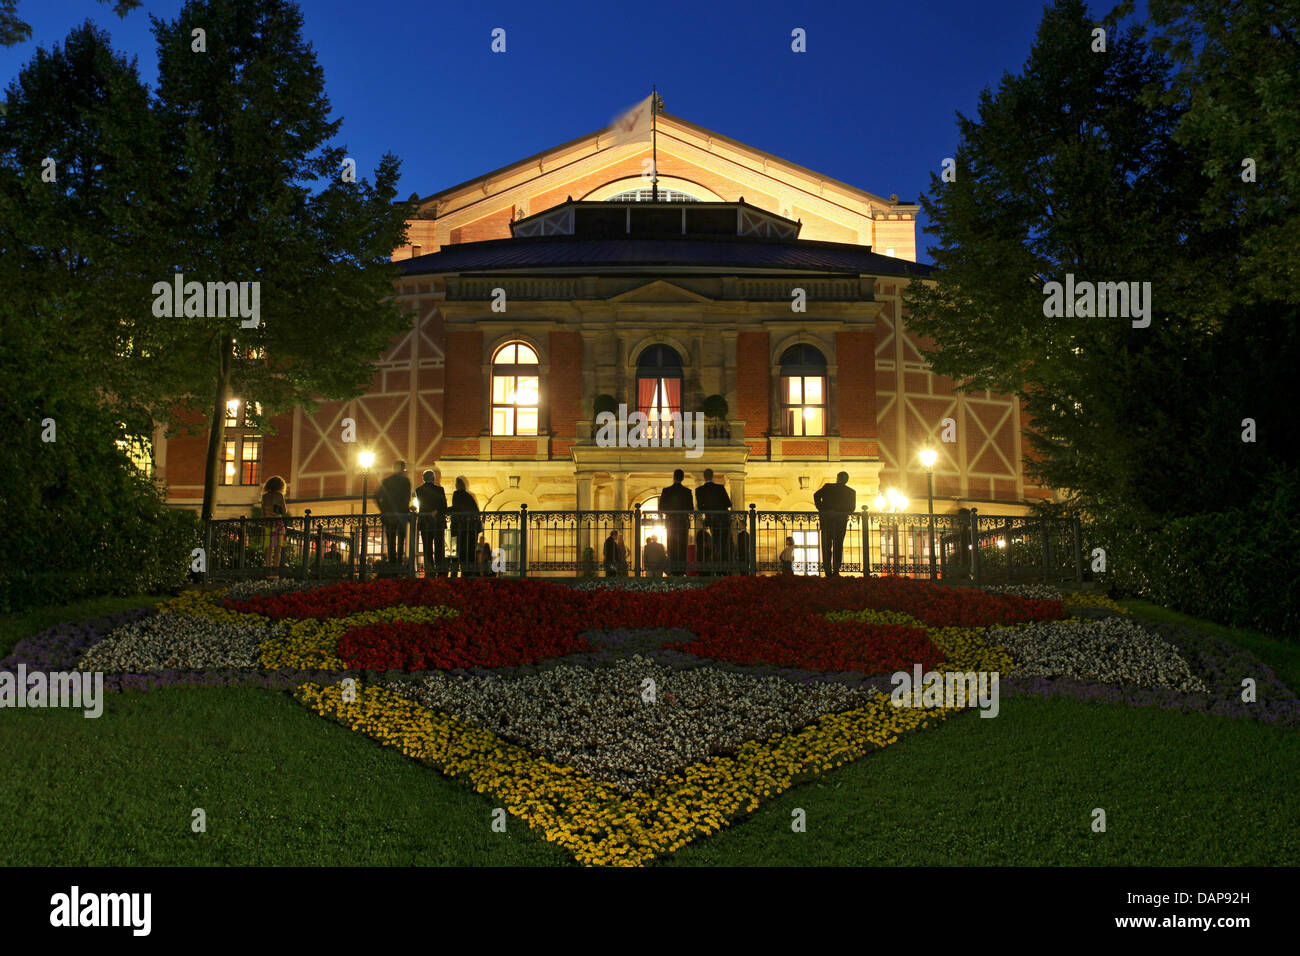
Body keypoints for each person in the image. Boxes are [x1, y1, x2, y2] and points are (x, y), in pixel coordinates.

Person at [814, 471, 856, 576]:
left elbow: (816, 495)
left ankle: (827, 570)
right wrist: (841, 512)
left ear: (838, 478)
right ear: (846, 480)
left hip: (827, 520)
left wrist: (822, 509)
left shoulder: (828, 487)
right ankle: (836, 570)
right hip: (841, 522)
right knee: (838, 545)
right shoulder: (851, 492)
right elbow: (852, 509)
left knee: (826, 545)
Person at [694, 468, 732, 575]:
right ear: (712, 476)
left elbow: (701, 507)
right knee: (723, 545)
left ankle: (717, 569)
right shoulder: (720, 488)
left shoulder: (699, 490)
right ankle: (723, 570)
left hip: (712, 520)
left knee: (715, 544)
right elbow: (728, 503)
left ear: (704, 477)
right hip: (723, 520)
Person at [376, 460, 412, 564]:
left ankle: (392, 563)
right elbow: (407, 499)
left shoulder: (386, 481)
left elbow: (377, 496)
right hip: (402, 515)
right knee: (401, 541)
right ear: (402, 469)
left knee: (391, 541)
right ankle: (399, 563)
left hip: (389, 515)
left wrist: (383, 510)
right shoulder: (406, 481)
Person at [415, 468, 448, 577]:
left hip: (425, 522)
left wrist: (429, 512)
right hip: (438, 521)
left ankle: (429, 571)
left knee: (427, 547)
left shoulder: (419, 490)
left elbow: (422, 506)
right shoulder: (440, 490)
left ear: (423, 479)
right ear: (433, 478)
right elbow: (444, 506)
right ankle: (441, 570)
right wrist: (436, 511)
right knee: (439, 547)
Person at [659, 469, 693, 576]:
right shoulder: (687, 492)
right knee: (683, 546)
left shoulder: (666, 491)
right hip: (683, 522)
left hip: (671, 522)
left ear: (673, 477)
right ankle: (682, 570)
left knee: (672, 545)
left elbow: (662, 508)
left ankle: (673, 569)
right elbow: (690, 509)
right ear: (682, 478)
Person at [450, 476, 481, 577]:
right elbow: (475, 511)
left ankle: (463, 572)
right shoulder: (469, 496)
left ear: (457, 485)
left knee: (461, 551)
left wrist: (443, 510)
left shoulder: (457, 494)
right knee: (470, 552)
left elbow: (456, 508)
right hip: (471, 529)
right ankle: (470, 573)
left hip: (462, 528)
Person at [261, 476, 289, 576]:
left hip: (268, 524)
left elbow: (263, 513)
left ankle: (268, 569)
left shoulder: (265, 497)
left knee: (268, 549)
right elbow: (284, 511)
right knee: (278, 549)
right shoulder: (279, 496)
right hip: (278, 524)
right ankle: (275, 571)